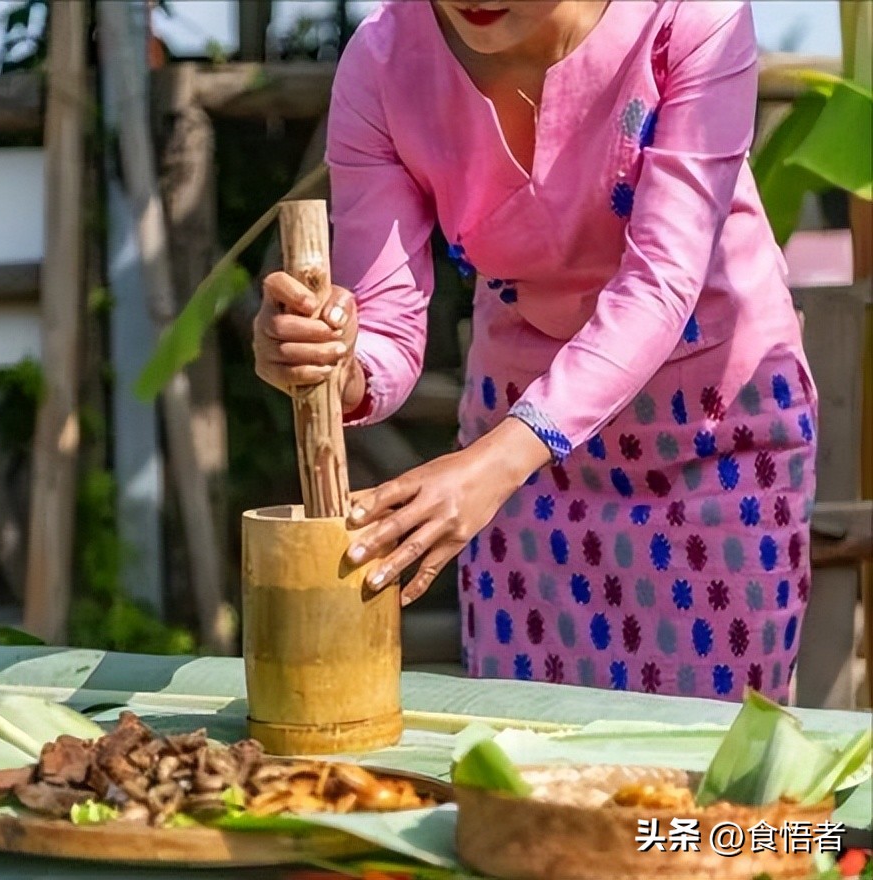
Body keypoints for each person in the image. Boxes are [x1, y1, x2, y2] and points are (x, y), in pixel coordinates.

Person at [252, 0, 815, 702]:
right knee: (525, 762)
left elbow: (661, 282)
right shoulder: (382, 65)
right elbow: (386, 331)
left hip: (716, 441)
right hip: (520, 475)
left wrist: (496, 463)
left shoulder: (695, 19)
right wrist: (335, 363)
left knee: (708, 782)